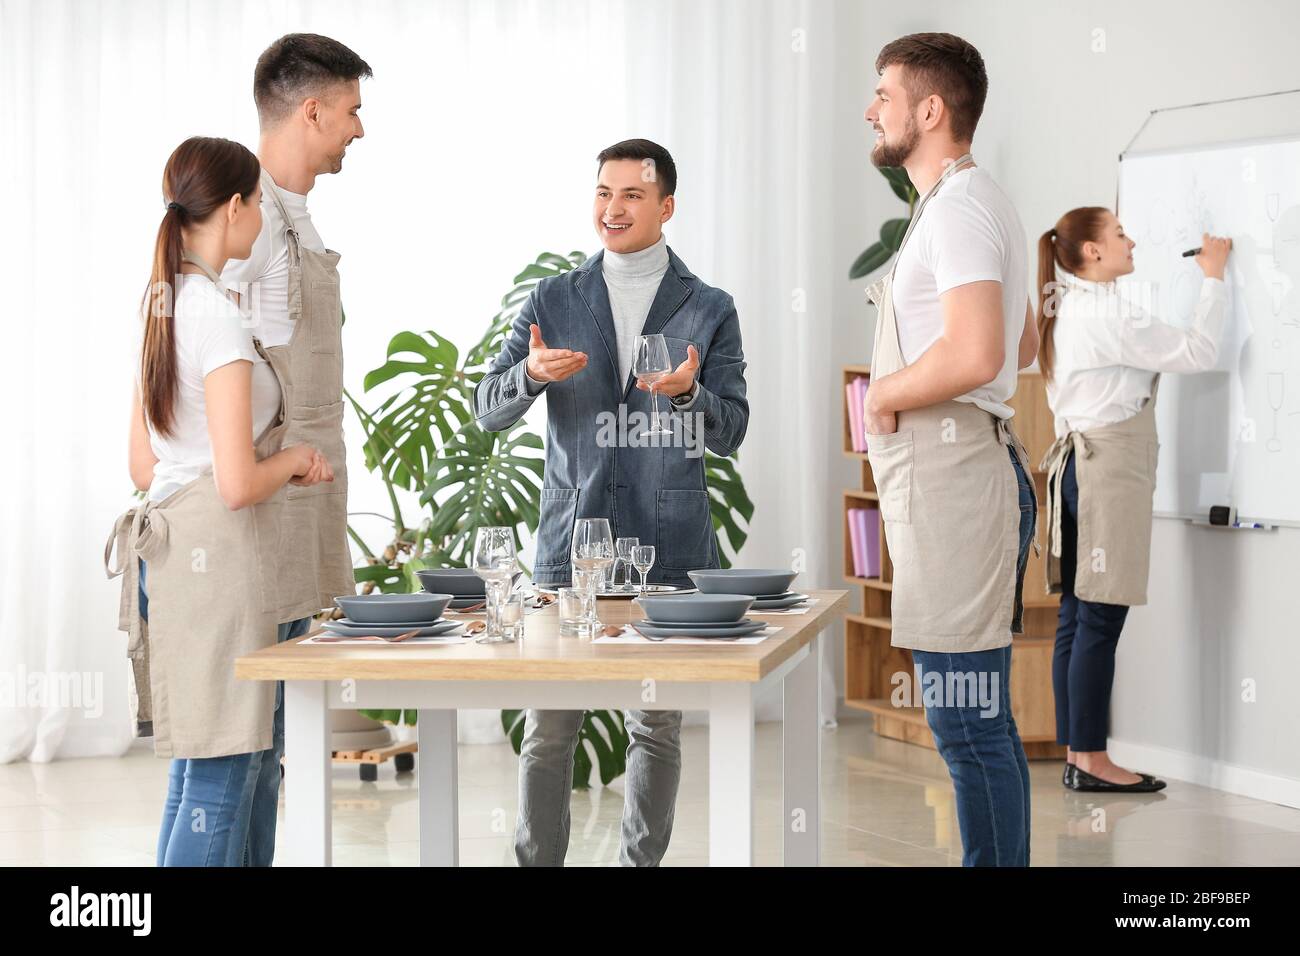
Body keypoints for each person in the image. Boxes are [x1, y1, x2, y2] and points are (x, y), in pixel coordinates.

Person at [474, 138, 749, 866]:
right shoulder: (553, 299)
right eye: (603, 191)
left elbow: (734, 429)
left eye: (632, 194)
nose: (613, 207)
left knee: (655, 726)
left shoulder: (710, 308)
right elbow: (487, 409)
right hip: (572, 552)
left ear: (666, 206)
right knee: (550, 727)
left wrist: (692, 393)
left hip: (670, 553)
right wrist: (528, 376)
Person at [106, 136, 332, 866]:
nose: (263, 219)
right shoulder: (219, 321)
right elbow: (237, 485)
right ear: (235, 208)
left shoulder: (162, 303)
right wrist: (294, 458)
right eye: (259, 205)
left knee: (200, 769)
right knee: (226, 773)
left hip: (171, 559)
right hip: (222, 569)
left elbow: (146, 462)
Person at [861, 33, 1039, 866]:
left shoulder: (960, 208)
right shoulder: (971, 203)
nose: (872, 110)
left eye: (884, 95)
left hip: (957, 485)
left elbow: (979, 355)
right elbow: (1027, 347)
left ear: (930, 111)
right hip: (956, 477)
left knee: (967, 724)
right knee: (974, 719)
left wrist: (885, 394)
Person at [220, 33, 371, 864]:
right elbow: (228, 370)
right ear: (311, 109)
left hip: (301, 494)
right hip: (269, 502)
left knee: (271, 744)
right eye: (351, 111)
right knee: (244, 749)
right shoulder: (247, 220)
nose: (358, 129)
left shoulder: (290, 215)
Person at [1036, 207, 1231, 792]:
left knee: (1076, 617)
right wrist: (1215, 278)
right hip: (1106, 474)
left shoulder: (1070, 306)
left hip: (1078, 471)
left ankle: (1079, 752)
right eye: (1119, 233)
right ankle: (1092, 759)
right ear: (1092, 252)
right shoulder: (1106, 312)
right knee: (1098, 618)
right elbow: (1198, 352)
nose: (1131, 240)